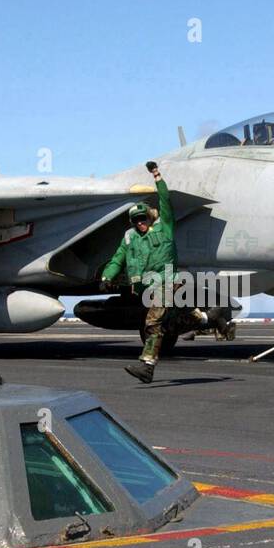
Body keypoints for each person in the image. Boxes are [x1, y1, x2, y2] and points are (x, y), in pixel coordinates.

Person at [100, 161, 223, 383]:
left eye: (143, 218)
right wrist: (107, 277)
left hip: (167, 281)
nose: (140, 223)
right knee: (172, 322)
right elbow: (118, 258)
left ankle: (147, 366)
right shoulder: (130, 237)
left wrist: (157, 176)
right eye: (136, 220)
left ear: (150, 217)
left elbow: (165, 201)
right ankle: (208, 318)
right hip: (146, 288)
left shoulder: (164, 227)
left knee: (153, 323)